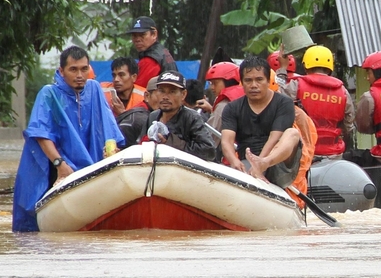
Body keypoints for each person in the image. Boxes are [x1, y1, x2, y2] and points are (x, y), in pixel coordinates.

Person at [12, 46, 123, 232]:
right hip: (58, 170)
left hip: (92, 169)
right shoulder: (49, 94)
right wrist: (60, 165)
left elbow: (108, 127)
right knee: (32, 233)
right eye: (73, 69)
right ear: (61, 71)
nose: (80, 75)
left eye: (84, 69)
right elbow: (41, 134)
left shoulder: (94, 89)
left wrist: (111, 152)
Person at [217, 56, 302, 190]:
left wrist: (261, 164)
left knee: (293, 133)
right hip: (247, 161)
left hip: (278, 164)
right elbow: (226, 141)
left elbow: (275, 138)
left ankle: (263, 163)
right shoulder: (232, 108)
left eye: (259, 80)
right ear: (242, 83)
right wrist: (234, 162)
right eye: (248, 80)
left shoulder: (284, 103)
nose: (253, 85)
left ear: (268, 81)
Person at [125, 72, 219, 162]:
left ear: (183, 95)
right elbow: (140, 146)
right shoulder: (153, 116)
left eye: (172, 92)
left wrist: (171, 142)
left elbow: (209, 151)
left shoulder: (191, 118)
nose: (165, 97)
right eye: (161, 91)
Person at [294, 45, 355, 158]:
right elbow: (348, 124)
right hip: (334, 153)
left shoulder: (296, 85)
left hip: (305, 152)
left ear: (305, 66)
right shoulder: (342, 91)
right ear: (330, 67)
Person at [125, 16, 177, 89]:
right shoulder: (162, 51)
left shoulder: (150, 60)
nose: (137, 39)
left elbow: (137, 90)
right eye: (134, 36)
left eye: (142, 34)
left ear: (154, 34)